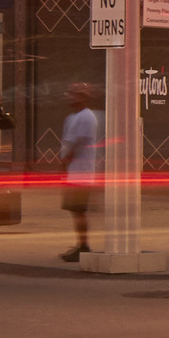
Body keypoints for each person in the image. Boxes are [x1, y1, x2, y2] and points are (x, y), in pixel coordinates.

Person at [59, 83, 102, 263]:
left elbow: (74, 143)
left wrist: (64, 161)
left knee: (79, 211)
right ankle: (80, 243)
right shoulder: (73, 117)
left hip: (81, 172)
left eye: (74, 94)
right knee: (75, 211)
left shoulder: (85, 117)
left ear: (83, 97)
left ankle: (83, 245)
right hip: (74, 172)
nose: (69, 97)